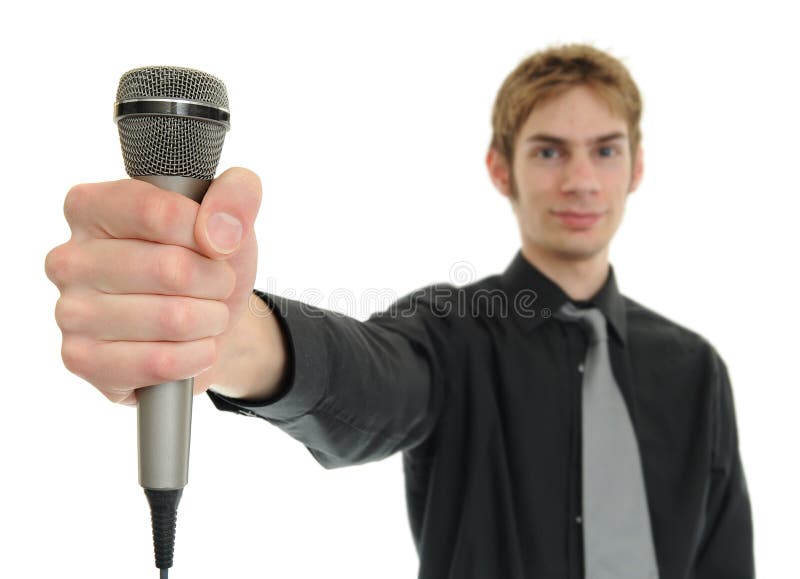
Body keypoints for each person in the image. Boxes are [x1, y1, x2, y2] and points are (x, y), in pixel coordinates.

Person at [45, 44, 754, 578]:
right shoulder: (453, 337)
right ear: (501, 167)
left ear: (637, 167)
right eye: (548, 150)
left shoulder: (696, 371)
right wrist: (226, 333)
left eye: (605, 150)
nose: (580, 179)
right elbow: (371, 382)